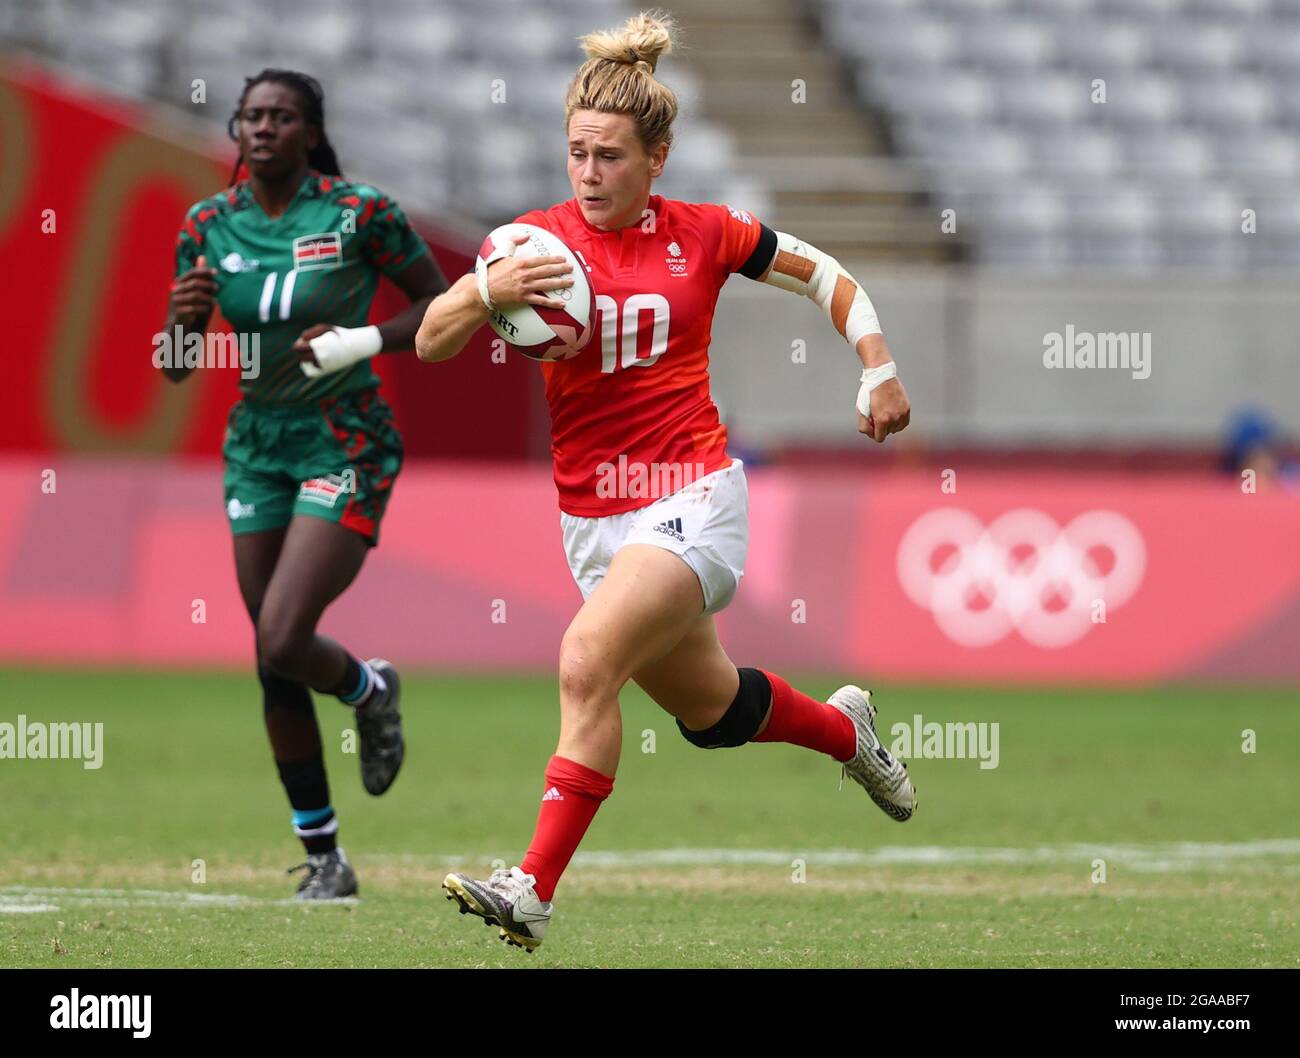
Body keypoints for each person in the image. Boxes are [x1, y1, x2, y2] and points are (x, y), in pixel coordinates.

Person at [416, 12, 914, 951]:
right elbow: (433, 342)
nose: (589, 174)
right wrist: (485, 294)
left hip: (692, 497)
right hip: (592, 522)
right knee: (715, 711)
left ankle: (531, 890)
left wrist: (877, 365)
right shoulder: (531, 247)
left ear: (658, 158)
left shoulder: (709, 234)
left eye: (609, 156)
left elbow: (825, 275)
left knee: (584, 661)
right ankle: (851, 738)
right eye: (576, 154)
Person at [164, 69, 447, 898]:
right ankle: (326, 859)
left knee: (284, 636)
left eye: (281, 117)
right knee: (273, 662)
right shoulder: (207, 224)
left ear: (311, 132)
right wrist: (180, 330)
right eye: (251, 116)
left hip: (345, 442)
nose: (262, 129)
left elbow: (445, 304)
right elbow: (179, 368)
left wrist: (362, 340)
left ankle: (370, 690)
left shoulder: (362, 212)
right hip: (257, 445)